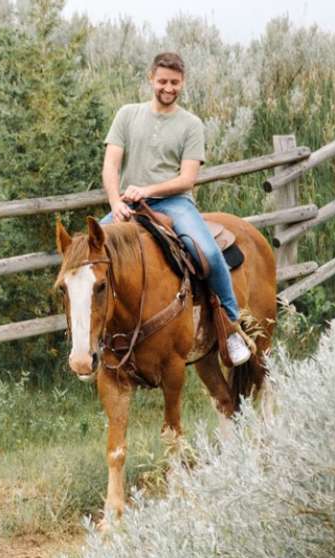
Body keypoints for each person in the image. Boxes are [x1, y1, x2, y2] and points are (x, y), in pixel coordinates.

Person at [100, 51, 252, 366]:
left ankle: (231, 325)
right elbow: (111, 166)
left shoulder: (190, 124)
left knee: (209, 254)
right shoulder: (127, 114)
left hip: (174, 202)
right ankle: (96, 339)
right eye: (162, 81)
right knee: (89, 257)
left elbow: (187, 179)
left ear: (182, 82)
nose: (168, 88)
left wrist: (147, 189)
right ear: (150, 79)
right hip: (128, 204)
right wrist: (116, 203)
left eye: (174, 82)